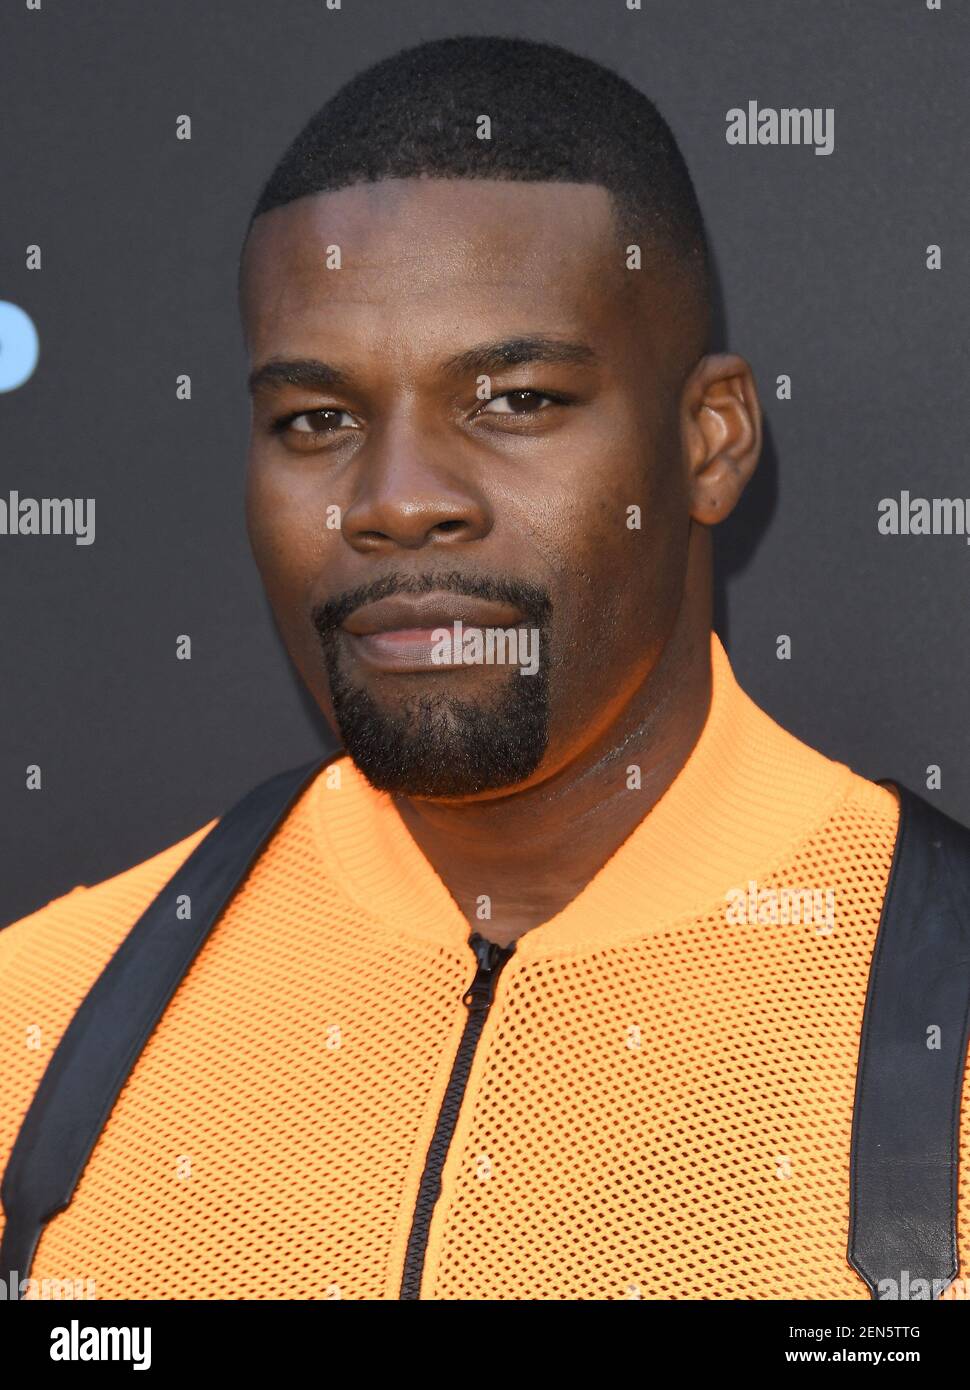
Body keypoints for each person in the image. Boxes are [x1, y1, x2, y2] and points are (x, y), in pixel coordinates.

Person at [2, 34, 968, 1302]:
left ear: (709, 443)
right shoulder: (43, 1012)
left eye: (513, 399)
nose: (398, 502)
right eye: (317, 421)